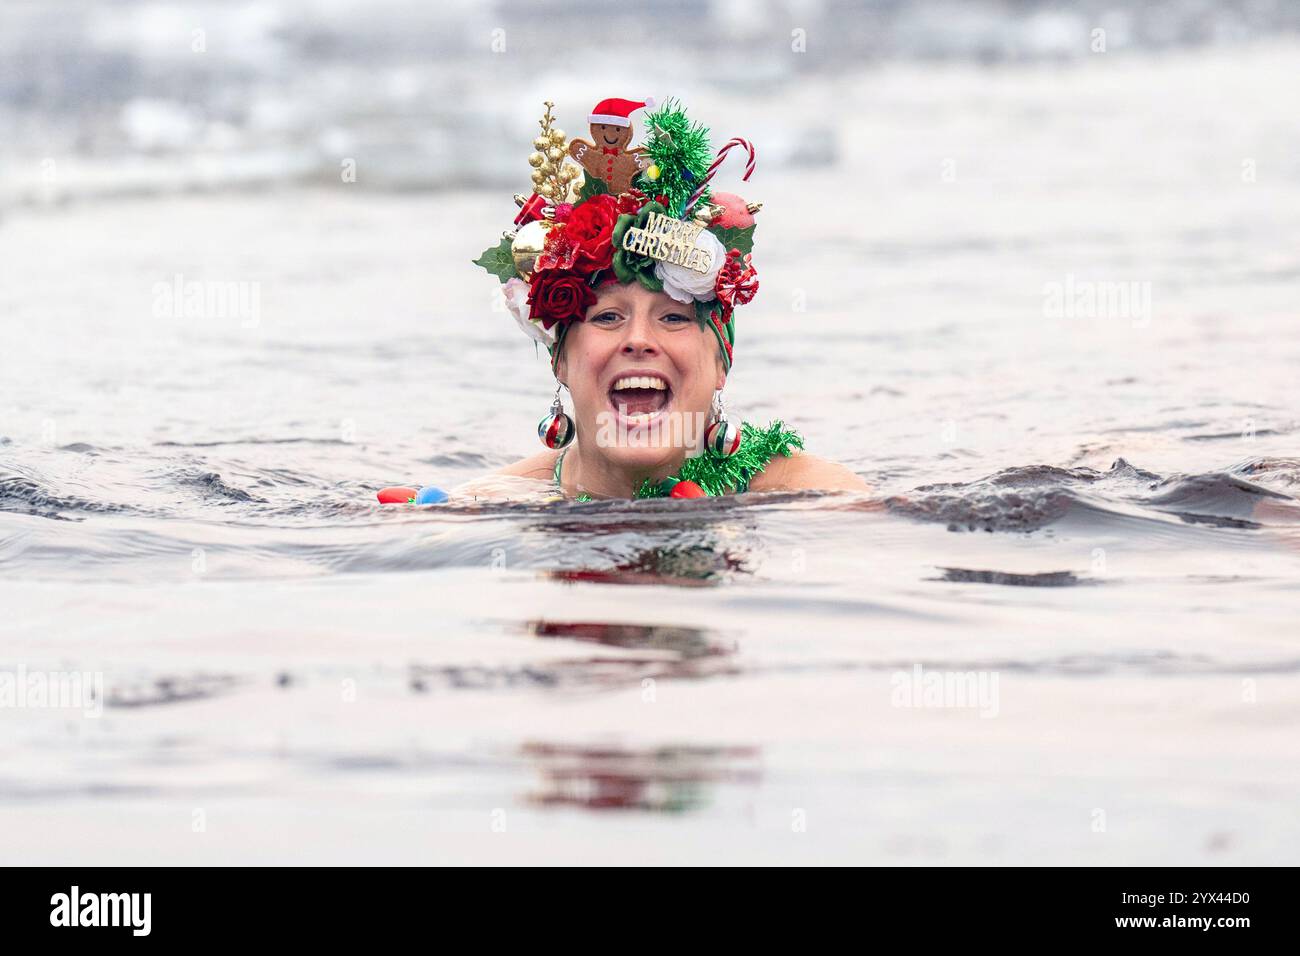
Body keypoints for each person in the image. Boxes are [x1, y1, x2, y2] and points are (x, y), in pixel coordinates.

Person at [468, 96, 871, 502]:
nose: (638, 339)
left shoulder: (819, 499)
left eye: (674, 318)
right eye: (607, 317)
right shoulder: (492, 502)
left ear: (720, 363)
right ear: (563, 362)